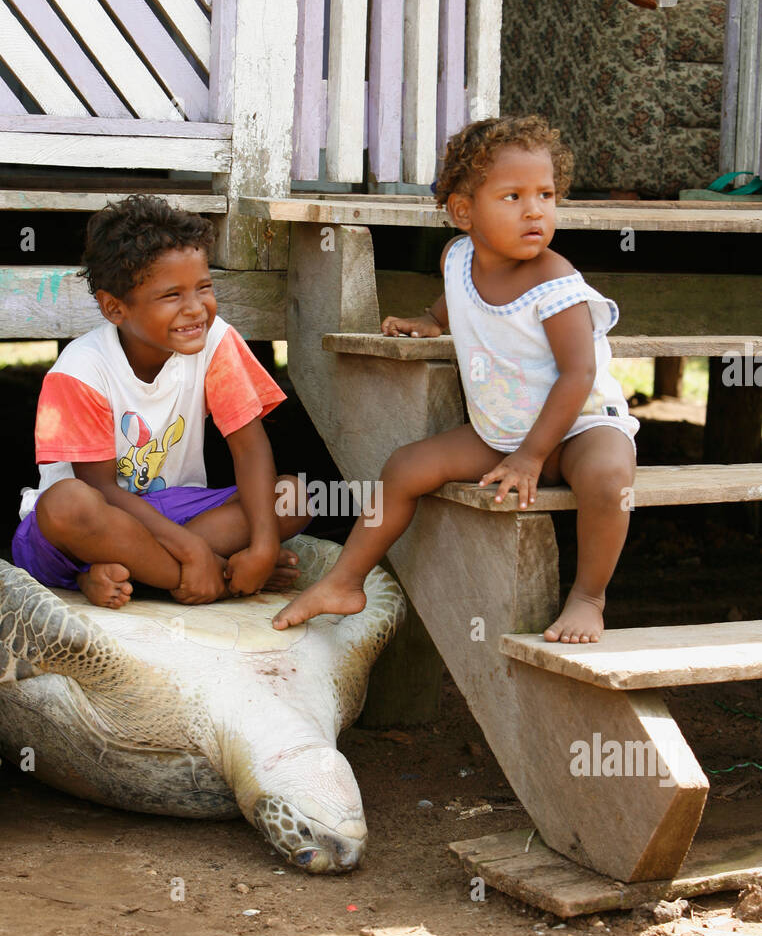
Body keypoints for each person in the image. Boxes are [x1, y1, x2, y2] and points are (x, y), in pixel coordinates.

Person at [273, 114, 638, 644]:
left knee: (609, 481)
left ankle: (587, 597)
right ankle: (345, 581)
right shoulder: (459, 257)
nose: (535, 209)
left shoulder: (556, 284)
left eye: (547, 194)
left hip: (580, 427)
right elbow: (457, 294)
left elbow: (578, 373)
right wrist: (432, 321)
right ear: (464, 212)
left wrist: (533, 456)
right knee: (403, 468)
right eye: (513, 197)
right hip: (502, 431)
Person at [13, 195, 310, 608]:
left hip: (174, 511)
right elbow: (99, 489)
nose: (195, 309)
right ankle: (211, 577)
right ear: (115, 307)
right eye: (172, 295)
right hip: (83, 528)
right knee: (67, 503)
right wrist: (194, 553)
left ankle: (125, 573)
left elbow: (250, 447)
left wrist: (261, 546)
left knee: (291, 497)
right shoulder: (80, 370)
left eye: (203, 287)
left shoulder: (216, 341)